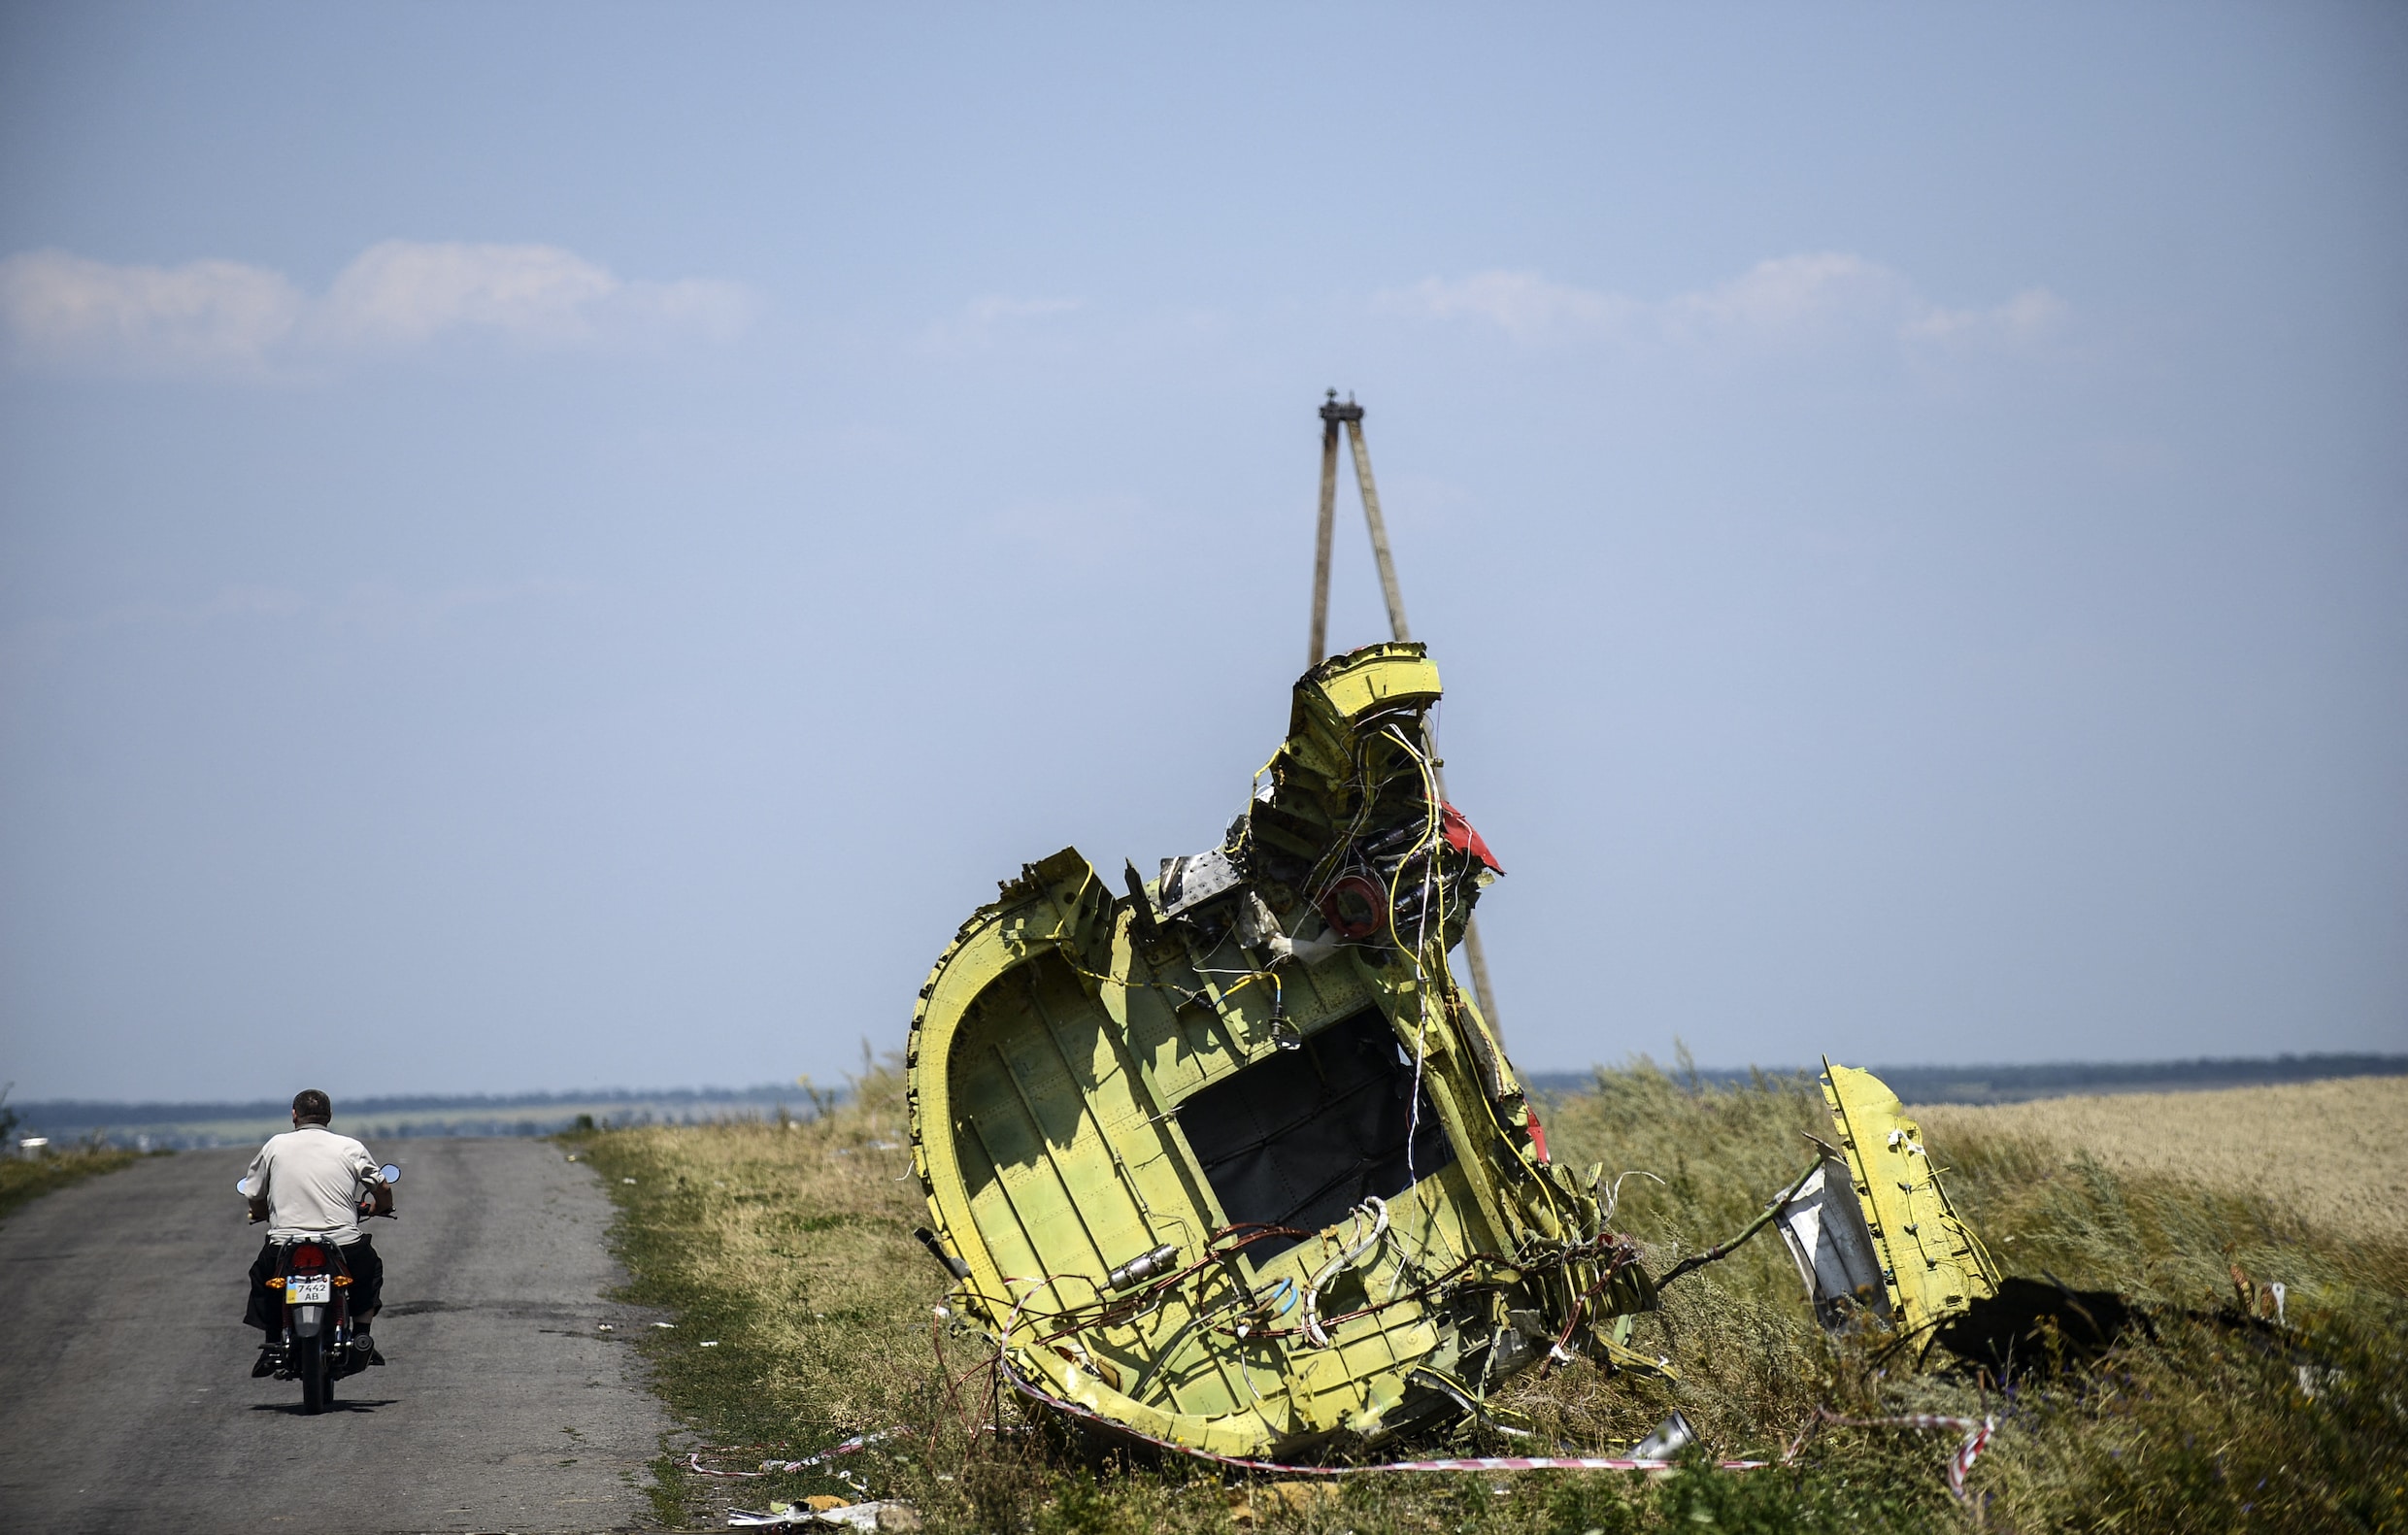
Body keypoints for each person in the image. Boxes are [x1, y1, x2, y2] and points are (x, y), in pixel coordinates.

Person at [239, 1088, 389, 1377]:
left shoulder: (275, 1146)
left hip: (286, 1242)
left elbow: (254, 1193)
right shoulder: (349, 1146)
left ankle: (272, 1341)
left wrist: (260, 1213)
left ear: (294, 1115)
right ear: (329, 1116)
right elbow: (382, 1187)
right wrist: (381, 1207)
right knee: (368, 1271)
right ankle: (362, 1335)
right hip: (342, 1241)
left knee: (264, 1277)